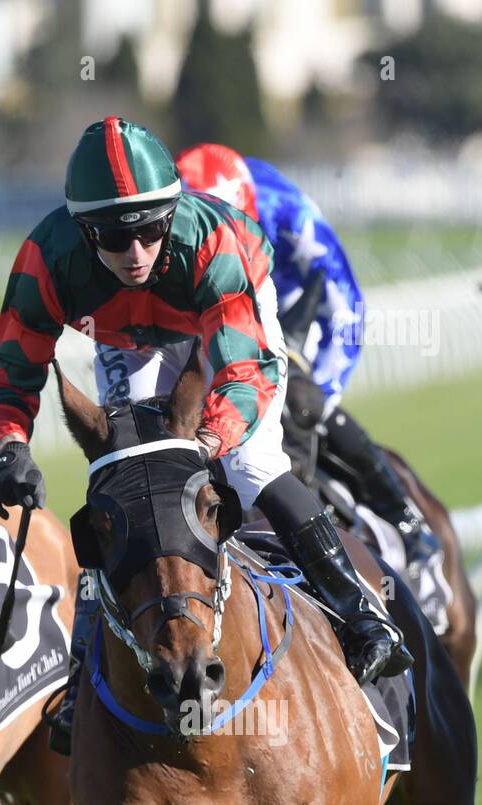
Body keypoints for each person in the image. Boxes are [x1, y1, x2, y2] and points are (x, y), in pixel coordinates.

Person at [0, 118, 412, 755]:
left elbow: (242, 369)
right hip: (125, 338)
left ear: (171, 212)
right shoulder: (47, 257)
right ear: (83, 230)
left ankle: (364, 616)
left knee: (251, 465)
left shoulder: (208, 240)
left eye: (151, 229)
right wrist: (9, 443)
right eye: (116, 238)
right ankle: (79, 680)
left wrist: (208, 442)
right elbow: (13, 364)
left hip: (227, 313)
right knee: (119, 497)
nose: (137, 253)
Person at [175, 142, 442, 570]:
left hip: (295, 302)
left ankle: (405, 519)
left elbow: (344, 300)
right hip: (220, 305)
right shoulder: (175, 222)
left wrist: (324, 387)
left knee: (301, 400)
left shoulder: (288, 214)